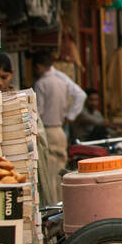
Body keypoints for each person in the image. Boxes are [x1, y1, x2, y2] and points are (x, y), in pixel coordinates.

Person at [31, 50, 86, 198]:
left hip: (47, 132)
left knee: (49, 175)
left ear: (38, 67)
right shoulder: (62, 82)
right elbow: (80, 96)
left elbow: (39, 111)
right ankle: (63, 205)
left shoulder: (41, 83)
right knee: (61, 173)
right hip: (60, 131)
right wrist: (69, 116)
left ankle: (52, 208)